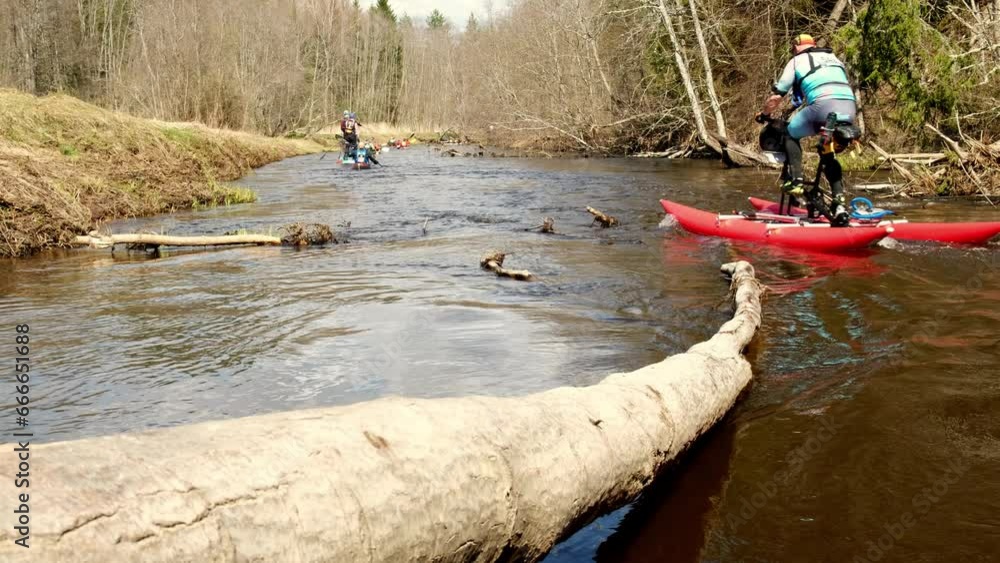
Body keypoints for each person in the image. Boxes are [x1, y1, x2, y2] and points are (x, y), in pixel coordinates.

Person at [758, 33, 857, 225]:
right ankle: (839, 203)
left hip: (822, 108)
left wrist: (765, 115)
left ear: (796, 48)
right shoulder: (834, 58)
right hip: (849, 108)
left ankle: (796, 181)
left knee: (789, 133)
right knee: (827, 152)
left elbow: (777, 96)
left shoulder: (796, 61)